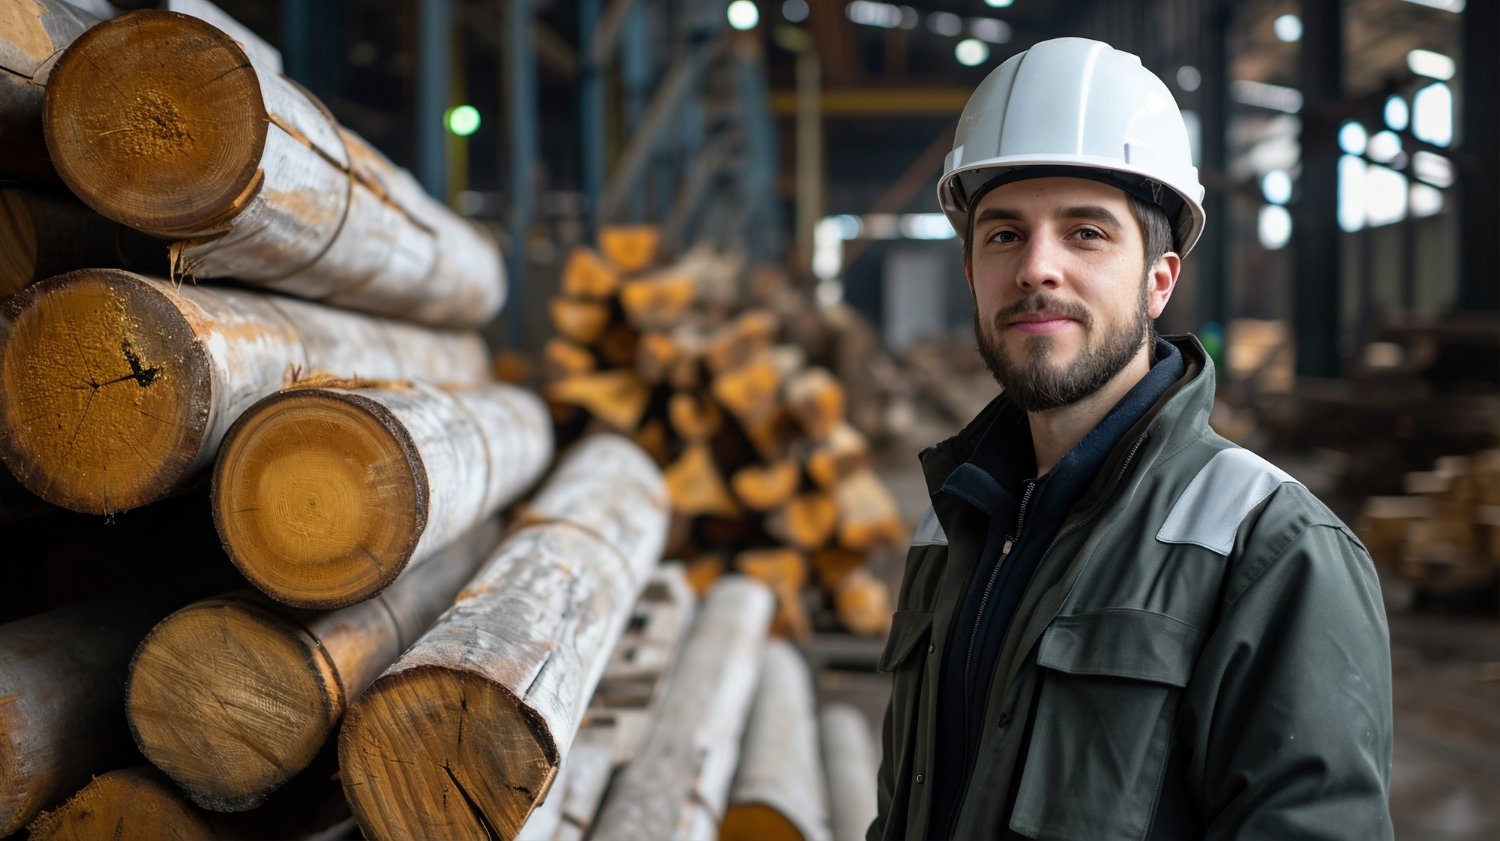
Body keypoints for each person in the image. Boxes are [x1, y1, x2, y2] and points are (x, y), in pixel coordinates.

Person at [869, 37, 1392, 840]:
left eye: (1085, 233)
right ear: (972, 273)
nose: (1038, 267)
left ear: (1159, 281)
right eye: (1004, 234)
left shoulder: (1270, 548)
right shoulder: (949, 525)